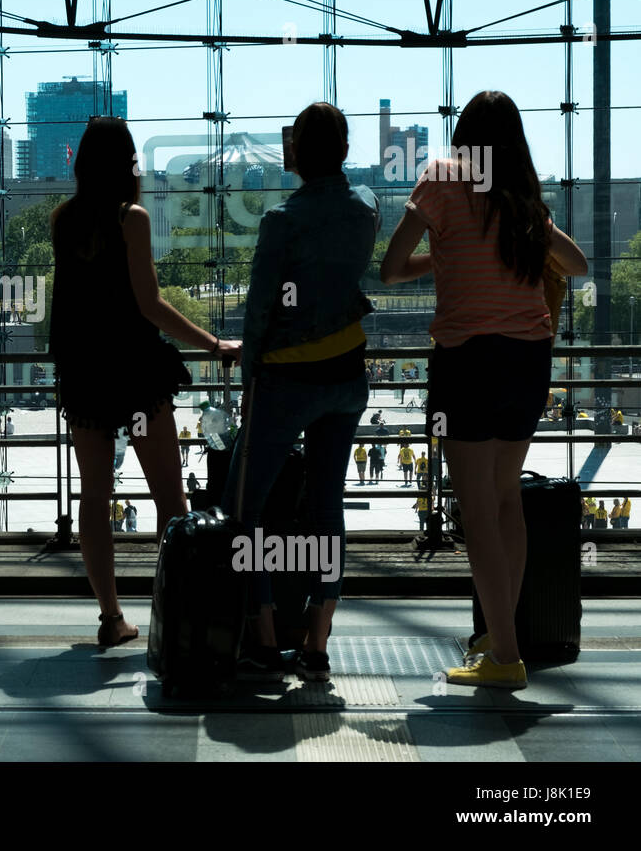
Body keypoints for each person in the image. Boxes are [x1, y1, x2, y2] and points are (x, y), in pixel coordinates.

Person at [382, 89, 587, 689]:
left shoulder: (441, 178)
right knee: (506, 501)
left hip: (467, 357)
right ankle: (500, 638)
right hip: (528, 358)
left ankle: (504, 655)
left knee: (476, 509)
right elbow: (575, 265)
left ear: (463, 137)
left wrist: (441, 254)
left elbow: (392, 268)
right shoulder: (523, 200)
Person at [49, 115, 239, 648]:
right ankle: (179, 612)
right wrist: (213, 344)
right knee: (170, 500)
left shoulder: (63, 220)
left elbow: (69, 307)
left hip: (85, 374)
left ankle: (111, 617)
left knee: (94, 495)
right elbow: (149, 304)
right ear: (128, 163)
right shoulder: (131, 219)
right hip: (133, 371)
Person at [223, 102, 379, 684]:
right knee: (326, 504)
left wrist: (251, 381)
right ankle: (318, 637)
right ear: (342, 149)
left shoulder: (281, 221)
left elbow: (261, 311)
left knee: (246, 507)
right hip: (347, 375)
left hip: (287, 380)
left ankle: (263, 637)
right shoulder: (367, 207)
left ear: (296, 153)